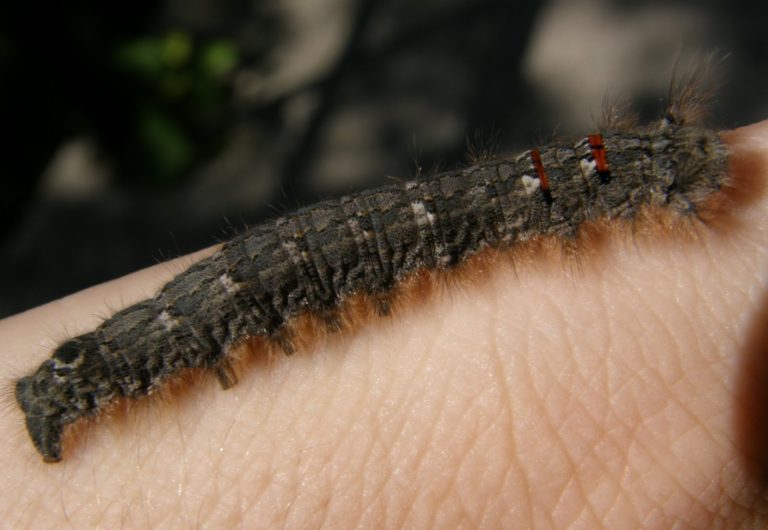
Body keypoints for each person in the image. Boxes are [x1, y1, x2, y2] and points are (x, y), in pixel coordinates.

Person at [1, 121, 767, 527]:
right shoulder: (570, 181)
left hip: (360, 238)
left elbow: (556, 179)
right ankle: (80, 378)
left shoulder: (561, 181)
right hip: (267, 276)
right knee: (239, 292)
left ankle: (80, 372)